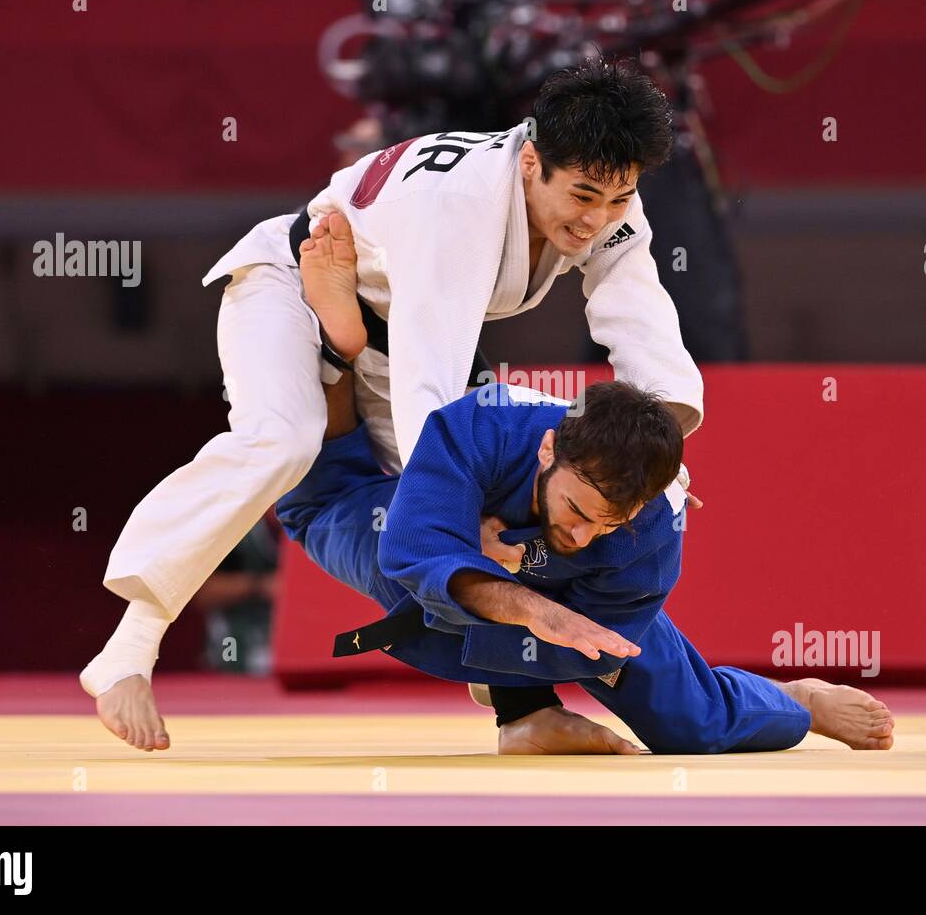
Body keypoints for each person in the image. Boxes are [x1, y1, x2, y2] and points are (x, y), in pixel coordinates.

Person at [80, 57, 705, 752]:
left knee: (517, 495)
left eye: (618, 201)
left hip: (382, 322)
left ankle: (522, 708)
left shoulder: (607, 186)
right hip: (294, 283)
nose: (598, 219)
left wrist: (661, 457)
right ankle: (128, 650)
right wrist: (458, 521)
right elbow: (429, 390)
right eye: (584, 196)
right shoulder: (459, 208)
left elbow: (637, 307)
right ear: (533, 161)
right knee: (286, 441)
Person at [276, 362, 896, 755]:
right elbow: (416, 549)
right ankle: (525, 709)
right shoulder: (483, 428)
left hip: (571, 609)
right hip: (401, 525)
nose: (586, 534)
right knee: (390, 556)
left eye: (611, 522)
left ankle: (796, 700)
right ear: (549, 450)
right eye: (577, 507)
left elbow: (598, 634)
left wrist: (523, 569)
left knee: (693, 728)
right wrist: (514, 595)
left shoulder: (655, 523)